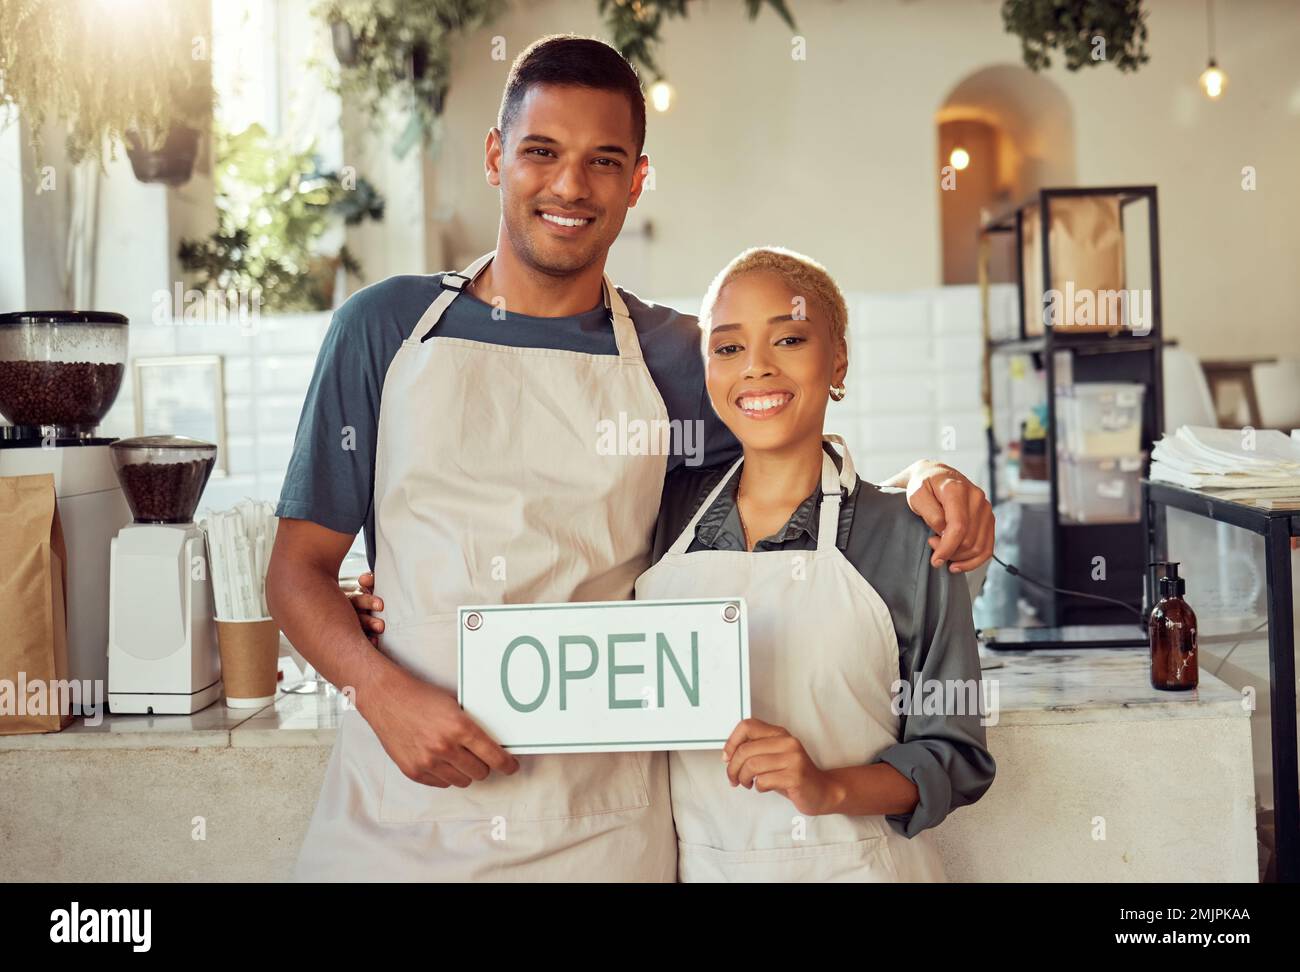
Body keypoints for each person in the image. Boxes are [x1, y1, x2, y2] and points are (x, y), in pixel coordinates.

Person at [270, 33, 994, 883]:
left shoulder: (681, 357)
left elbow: (793, 441)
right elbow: (296, 572)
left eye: (604, 161)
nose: (571, 186)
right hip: (394, 810)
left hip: (600, 832)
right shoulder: (383, 329)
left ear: (637, 180)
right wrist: (379, 692)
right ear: (498, 157)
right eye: (542, 152)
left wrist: (920, 483)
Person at [634, 246, 994, 881]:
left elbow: (954, 756)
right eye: (728, 348)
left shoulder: (911, 536)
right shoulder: (658, 518)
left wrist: (824, 787)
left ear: (839, 358)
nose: (757, 369)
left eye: (790, 339)